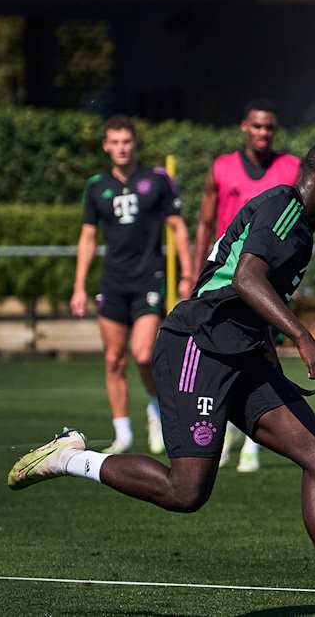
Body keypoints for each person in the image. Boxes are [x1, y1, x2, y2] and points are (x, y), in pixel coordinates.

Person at [10, 139, 315, 617]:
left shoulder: (300, 226)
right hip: (196, 346)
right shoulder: (284, 208)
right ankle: (68, 460)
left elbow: (246, 298)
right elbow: (246, 279)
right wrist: (304, 338)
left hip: (241, 356)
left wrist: (270, 361)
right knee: (185, 492)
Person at [70, 116, 195, 455]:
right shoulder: (96, 186)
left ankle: (156, 411)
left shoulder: (157, 180)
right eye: (115, 142)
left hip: (148, 278)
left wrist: (187, 273)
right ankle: (122, 433)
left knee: (142, 353)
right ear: (106, 146)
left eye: (127, 141)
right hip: (113, 281)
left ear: (135, 144)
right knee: (113, 359)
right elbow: (87, 236)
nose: (122, 148)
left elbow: (178, 227)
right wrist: (79, 286)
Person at [193, 99, 301, 473]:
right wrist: (194, 275)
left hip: (267, 280)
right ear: (244, 127)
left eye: (269, 127)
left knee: (264, 352)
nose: (263, 133)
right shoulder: (221, 168)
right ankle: (224, 431)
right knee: (221, 355)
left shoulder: (290, 168)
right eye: (256, 126)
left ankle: (255, 438)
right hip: (226, 278)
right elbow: (205, 224)